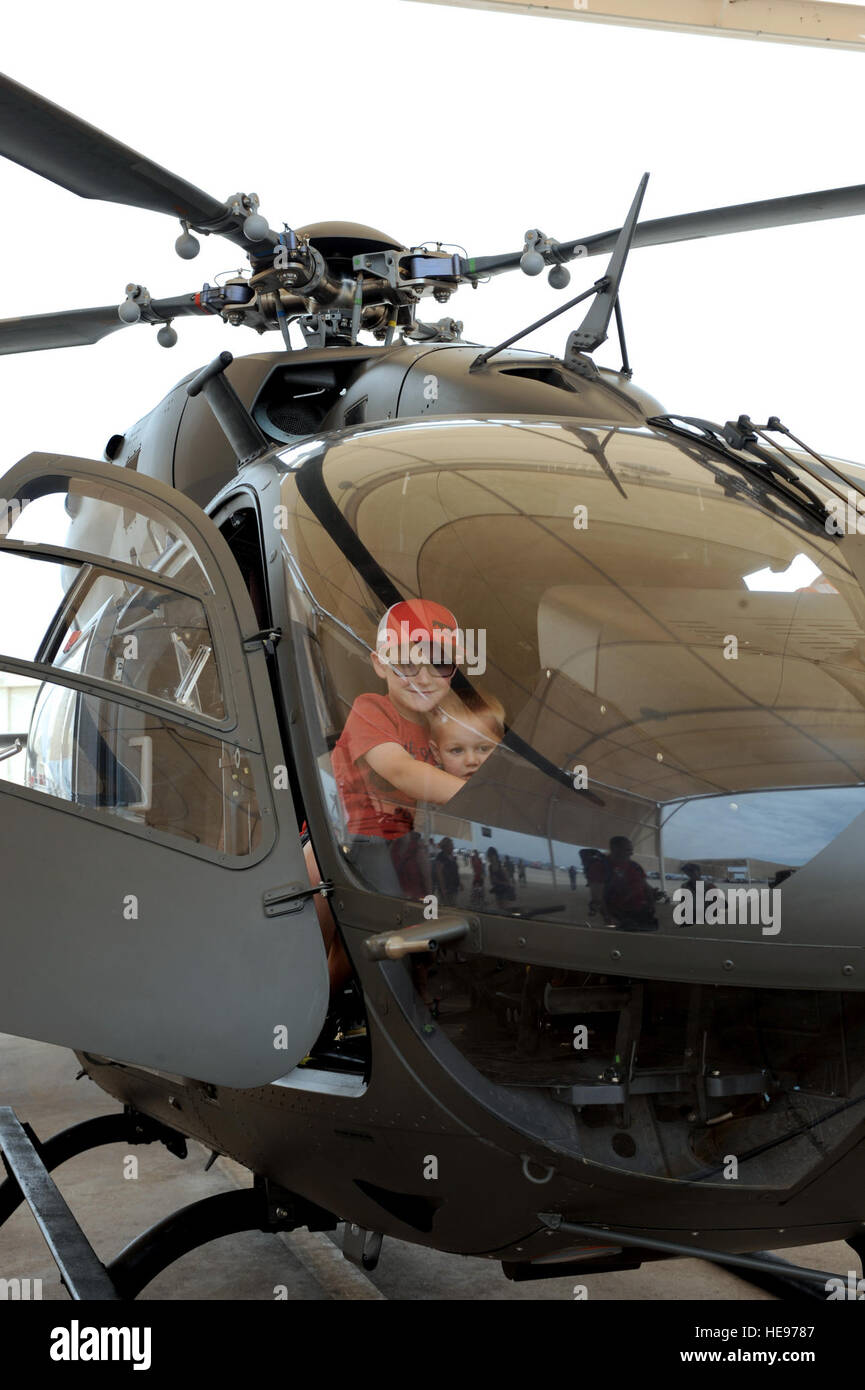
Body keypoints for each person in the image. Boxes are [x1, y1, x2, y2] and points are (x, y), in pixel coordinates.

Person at [331, 599, 466, 897]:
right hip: (362, 836)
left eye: (439, 663)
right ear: (380, 664)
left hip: (413, 837)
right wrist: (475, 798)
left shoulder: (441, 724)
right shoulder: (371, 710)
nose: (423, 678)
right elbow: (401, 771)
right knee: (389, 907)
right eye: (406, 663)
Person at [426, 686, 505, 781]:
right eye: (457, 750)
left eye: (484, 748)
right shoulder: (432, 787)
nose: (471, 761)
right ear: (437, 753)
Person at [602, 836, 657, 931]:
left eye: (631, 850)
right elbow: (598, 896)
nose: (631, 853)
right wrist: (607, 916)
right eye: (627, 850)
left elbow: (645, 885)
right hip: (620, 915)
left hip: (641, 912)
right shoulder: (603, 866)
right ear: (614, 848)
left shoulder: (634, 866)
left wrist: (652, 896)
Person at [433, 836, 461, 907]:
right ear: (445, 847)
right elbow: (439, 874)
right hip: (447, 889)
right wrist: (443, 889)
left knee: (453, 905)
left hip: (453, 887)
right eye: (451, 845)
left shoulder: (451, 856)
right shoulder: (440, 857)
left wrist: (460, 883)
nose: (453, 847)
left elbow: (455, 871)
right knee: (448, 907)